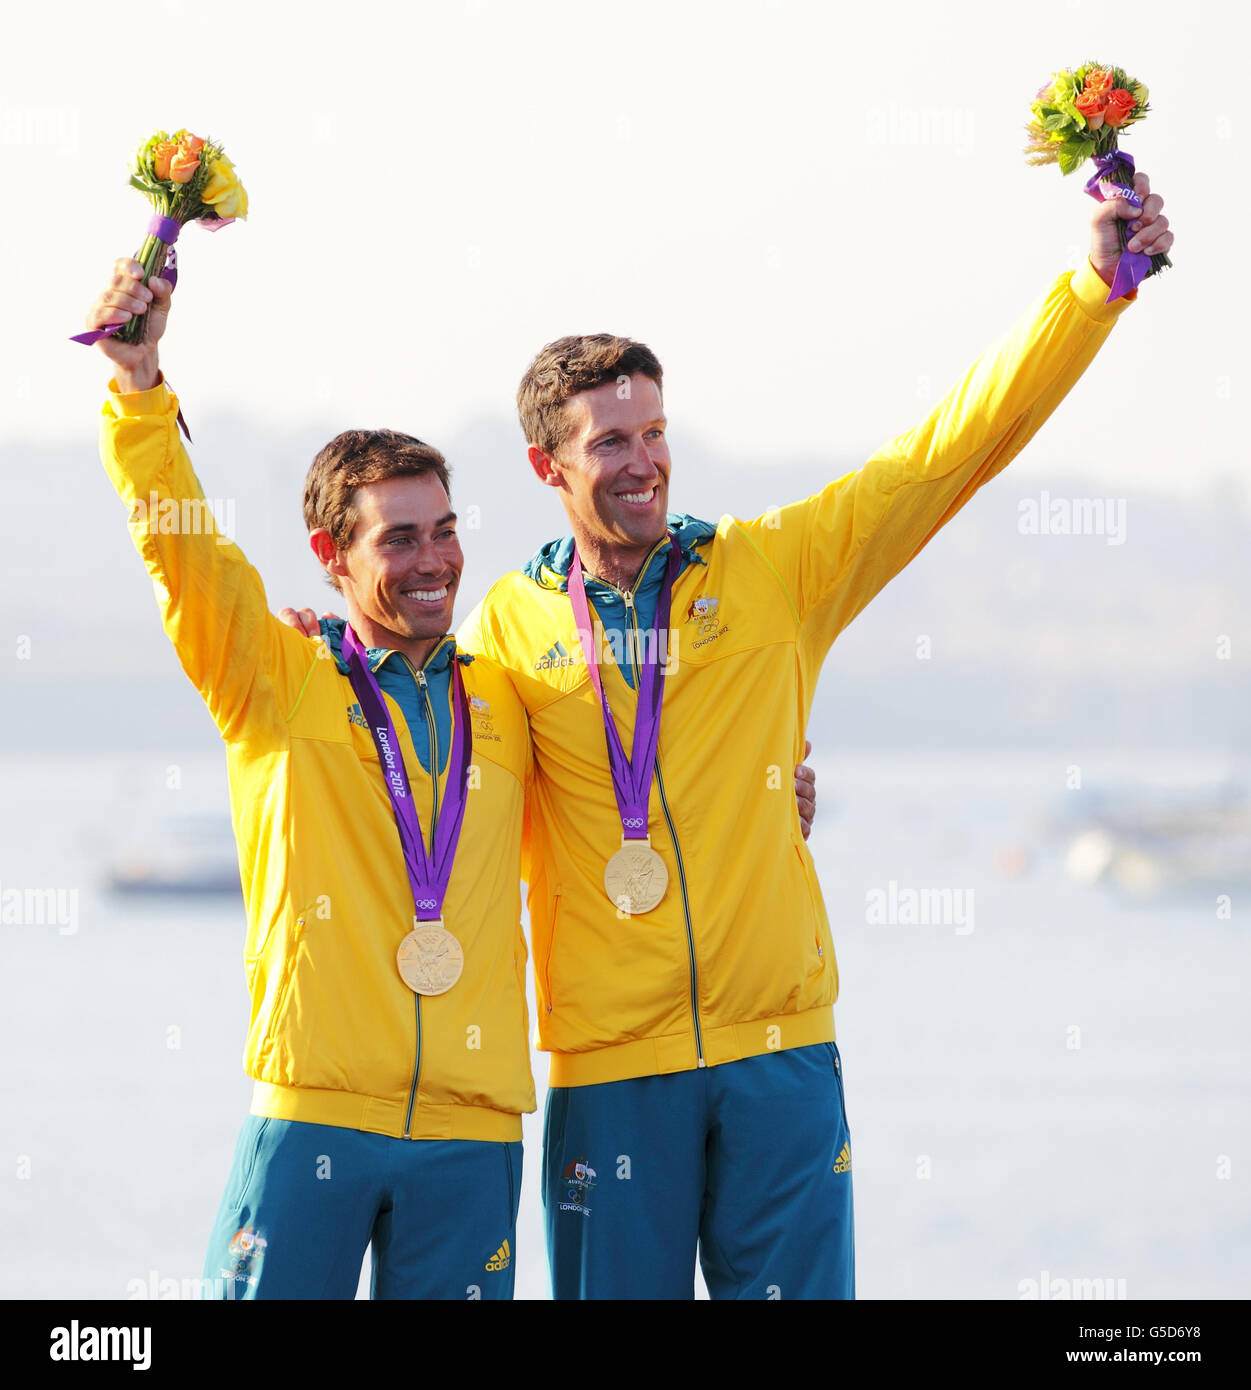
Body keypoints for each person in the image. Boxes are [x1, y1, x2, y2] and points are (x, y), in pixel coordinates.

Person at [450, 171, 1174, 1299]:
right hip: (610, 1072)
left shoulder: (776, 570)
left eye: (655, 432)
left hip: (780, 1058)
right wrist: (328, 640)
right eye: (610, 444)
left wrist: (1089, 291)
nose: (644, 461)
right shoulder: (504, 626)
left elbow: (950, 451)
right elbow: (428, 779)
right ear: (550, 467)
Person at [85, 258, 536, 1299]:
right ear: (332, 552)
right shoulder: (274, 678)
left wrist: (777, 790)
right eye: (401, 539)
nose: (435, 562)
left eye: (447, 530)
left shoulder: (510, 699)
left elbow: (637, 776)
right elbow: (184, 554)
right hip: (314, 1114)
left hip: (473, 1132)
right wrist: (141, 389)